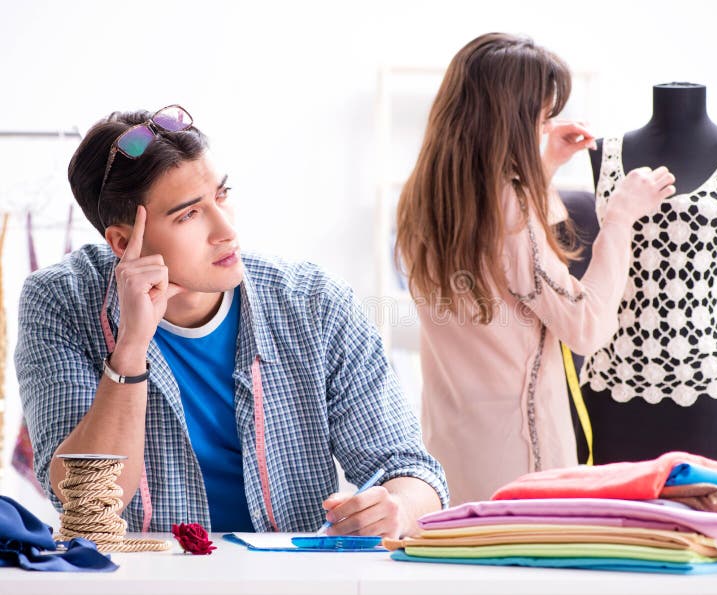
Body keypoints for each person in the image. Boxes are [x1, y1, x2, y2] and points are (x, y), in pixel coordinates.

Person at [15, 105, 447, 536]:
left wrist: (398, 510)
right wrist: (130, 348)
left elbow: (410, 469)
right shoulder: (60, 303)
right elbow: (85, 501)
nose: (226, 230)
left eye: (221, 196)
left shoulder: (315, 303)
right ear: (125, 241)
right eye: (189, 214)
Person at [395, 33, 676, 505]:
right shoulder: (511, 210)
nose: (546, 128)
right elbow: (585, 326)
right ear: (508, 122)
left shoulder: (426, 198)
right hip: (523, 466)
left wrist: (544, 164)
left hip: (451, 457)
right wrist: (622, 217)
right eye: (541, 119)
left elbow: (501, 272)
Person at [580, 82, 717, 463]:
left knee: (715, 520)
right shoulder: (605, 152)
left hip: (712, 384)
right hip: (614, 379)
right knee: (614, 522)